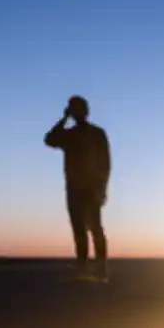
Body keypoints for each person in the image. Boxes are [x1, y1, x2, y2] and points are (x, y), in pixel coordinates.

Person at [45, 95, 111, 281]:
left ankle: (101, 268)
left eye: (79, 109)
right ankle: (82, 268)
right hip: (73, 188)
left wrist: (102, 188)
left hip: (91, 189)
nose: (77, 113)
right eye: (73, 110)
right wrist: (63, 119)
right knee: (78, 229)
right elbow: (49, 139)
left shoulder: (97, 134)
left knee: (95, 228)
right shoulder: (70, 135)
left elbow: (105, 163)